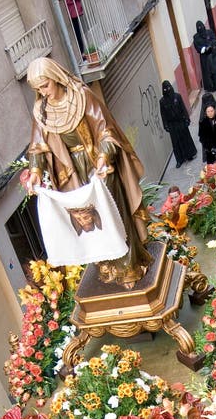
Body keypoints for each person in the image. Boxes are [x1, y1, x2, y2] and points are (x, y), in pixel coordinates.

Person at [25, 57, 152, 286]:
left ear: (55, 78)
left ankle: (129, 266)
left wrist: (103, 156)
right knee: (88, 221)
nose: (43, 93)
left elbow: (105, 129)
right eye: (38, 89)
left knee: (114, 214)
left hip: (98, 166)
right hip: (72, 174)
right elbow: (37, 145)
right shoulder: (41, 111)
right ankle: (106, 266)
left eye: (45, 86)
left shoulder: (81, 96)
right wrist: (35, 170)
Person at [159, 81, 197, 169]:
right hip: (172, 125)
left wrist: (187, 119)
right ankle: (179, 160)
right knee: (176, 142)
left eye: (168, 87)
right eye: (165, 88)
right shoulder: (162, 101)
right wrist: (165, 125)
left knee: (185, 138)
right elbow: (163, 114)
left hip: (181, 121)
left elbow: (183, 108)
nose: (167, 90)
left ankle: (189, 154)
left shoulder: (177, 96)